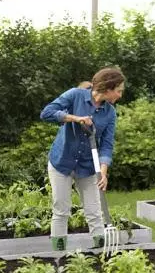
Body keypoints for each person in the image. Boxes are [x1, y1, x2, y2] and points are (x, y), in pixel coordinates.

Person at [40, 67, 126, 250]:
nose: (120, 95)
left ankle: (102, 251)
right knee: (61, 209)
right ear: (108, 87)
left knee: (95, 211)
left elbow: (107, 145)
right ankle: (59, 253)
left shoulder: (109, 113)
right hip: (62, 162)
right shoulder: (76, 95)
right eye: (118, 91)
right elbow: (47, 113)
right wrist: (75, 118)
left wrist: (103, 171)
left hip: (88, 166)